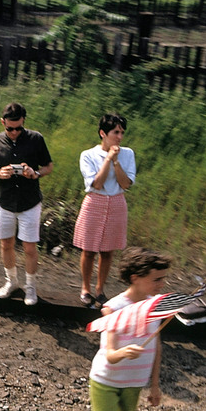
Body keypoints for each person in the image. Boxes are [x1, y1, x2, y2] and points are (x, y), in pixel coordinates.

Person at [83, 247, 170, 411]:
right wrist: (123, 353)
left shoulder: (154, 306)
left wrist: (154, 386)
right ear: (135, 277)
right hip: (106, 382)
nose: (162, 284)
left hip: (133, 383)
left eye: (163, 279)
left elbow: (157, 348)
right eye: (156, 279)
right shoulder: (115, 309)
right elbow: (109, 354)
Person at [0, 102, 54, 306]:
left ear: (24, 122)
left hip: (29, 200)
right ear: (2, 122)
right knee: (6, 244)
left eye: (18, 128)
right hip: (4, 200)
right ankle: (11, 281)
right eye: (9, 128)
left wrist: (35, 173)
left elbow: (49, 166)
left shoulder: (35, 139)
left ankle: (31, 286)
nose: (14, 132)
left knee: (30, 247)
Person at [73, 113, 135, 309]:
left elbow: (125, 184)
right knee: (89, 249)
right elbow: (97, 184)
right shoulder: (88, 155)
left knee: (108, 251)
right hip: (94, 202)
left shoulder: (128, 154)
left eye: (122, 132)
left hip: (116, 202)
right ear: (103, 133)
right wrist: (108, 159)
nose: (119, 137)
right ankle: (85, 289)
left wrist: (116, 162)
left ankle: (100, 290)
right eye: (115, 132)